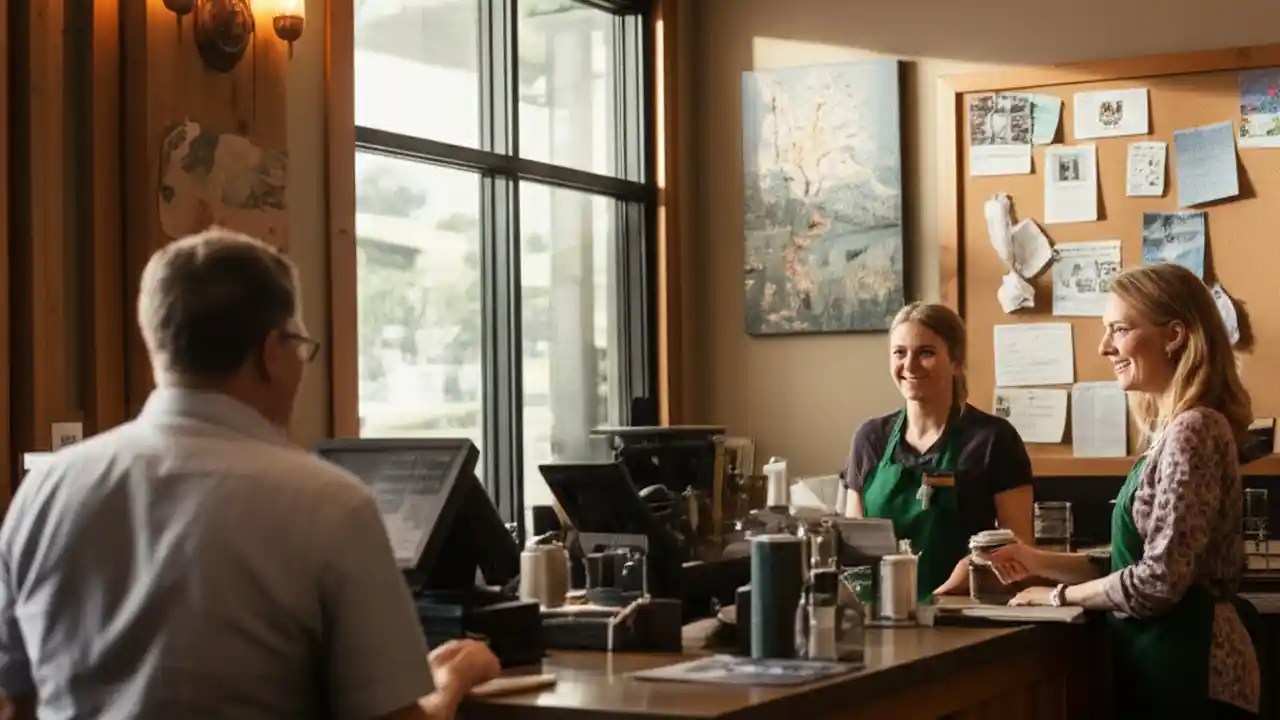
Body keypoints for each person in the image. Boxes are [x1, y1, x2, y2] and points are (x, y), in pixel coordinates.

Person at [0, 228, 499, 719]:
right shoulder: (329, 504)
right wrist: (447, 683)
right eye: (300, 344)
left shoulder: (43, 492)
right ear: (271, 351)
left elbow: (16, 702)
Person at [990, 264, 1260, 719]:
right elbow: (1130, 563)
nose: (1104, 346)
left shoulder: (1194, 429)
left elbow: (1158, 581)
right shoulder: (1170, 431)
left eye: (1120, 328)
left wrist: (1057, 596)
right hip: (1164, 666)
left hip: (1193, 672)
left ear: (1174, 335)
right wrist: (1035, 561)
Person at [843, 302, 1034, 599]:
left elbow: (1022, 552)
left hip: (961, 615)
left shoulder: (994, 440)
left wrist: (955, 585)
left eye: (926, 353)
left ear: (956, 362)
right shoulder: (870, 439)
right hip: (877, 615)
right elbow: (852, 549)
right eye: (899, 352)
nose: (910, 365)